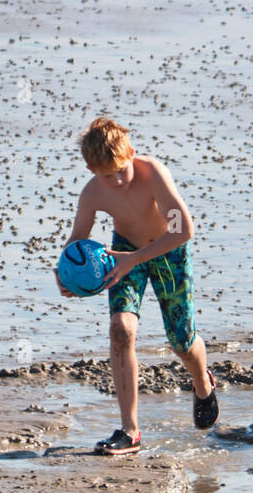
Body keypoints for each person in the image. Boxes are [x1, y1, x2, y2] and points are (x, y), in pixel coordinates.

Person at [54, 117, 217, 454]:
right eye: (105, 175)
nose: (115, 181)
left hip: (167, 251)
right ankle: (130, 431)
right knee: (120, 328)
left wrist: (135, 259)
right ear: (90, 168)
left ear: (131, 152)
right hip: (123, 252)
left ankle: (203, 383)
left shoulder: (152, 173)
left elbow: (184, 231)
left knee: (182, 341)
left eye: (120, 170)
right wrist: (64, 275)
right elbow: (76, 242)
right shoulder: (93, 192)